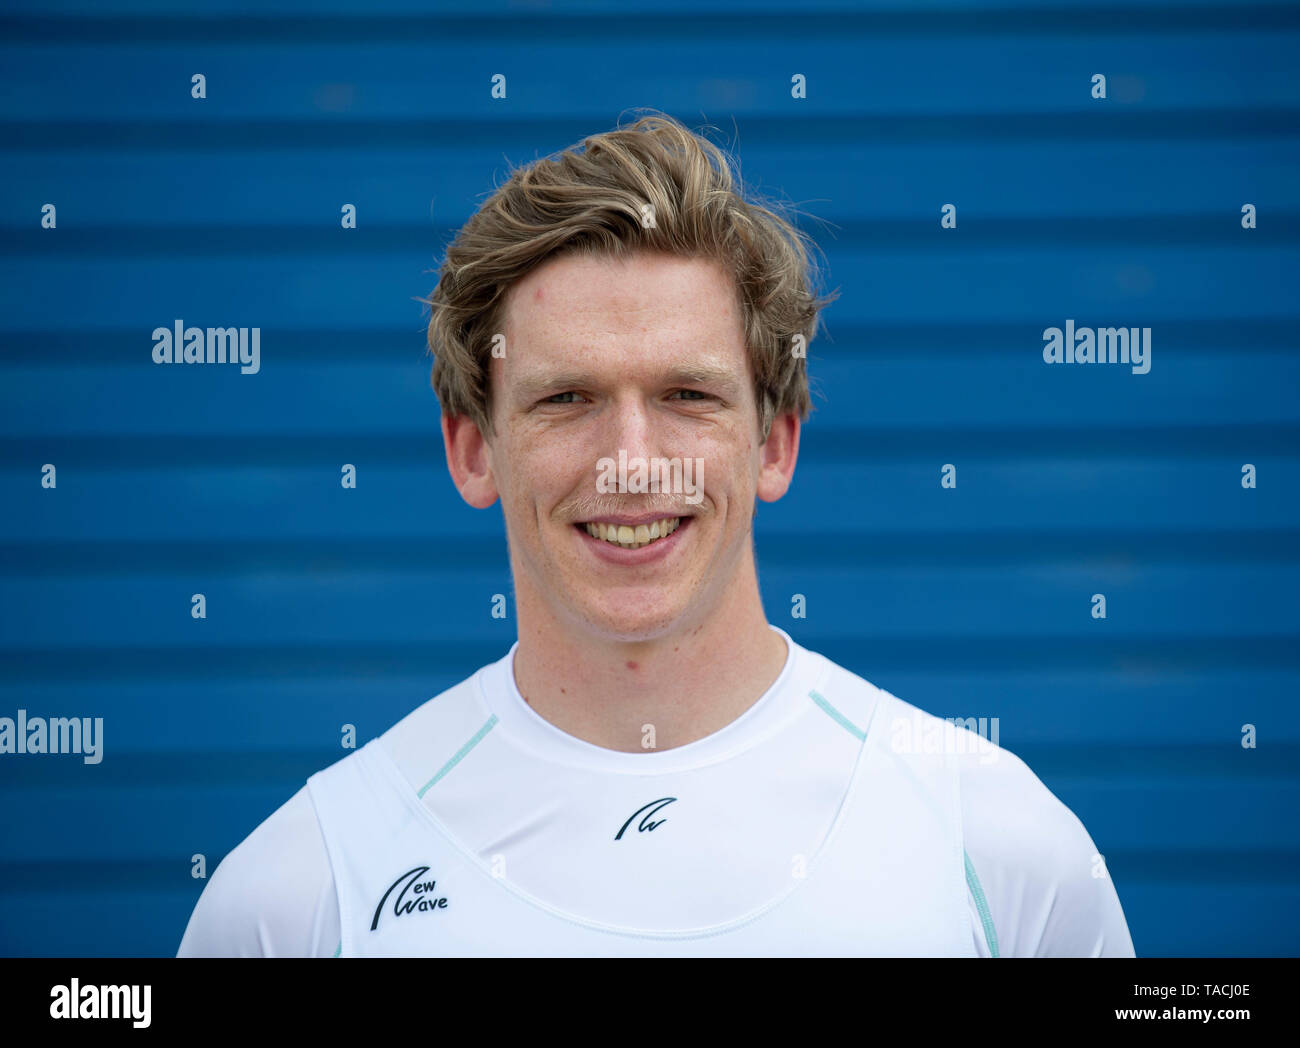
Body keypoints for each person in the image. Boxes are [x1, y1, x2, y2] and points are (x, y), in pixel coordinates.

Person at [178, 111, 1134, 957]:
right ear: (472, 449)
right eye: (566, 397)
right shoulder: (304, 891)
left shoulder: (997, 847)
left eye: (687, 395)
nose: (634, 462)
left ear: (776, 441)